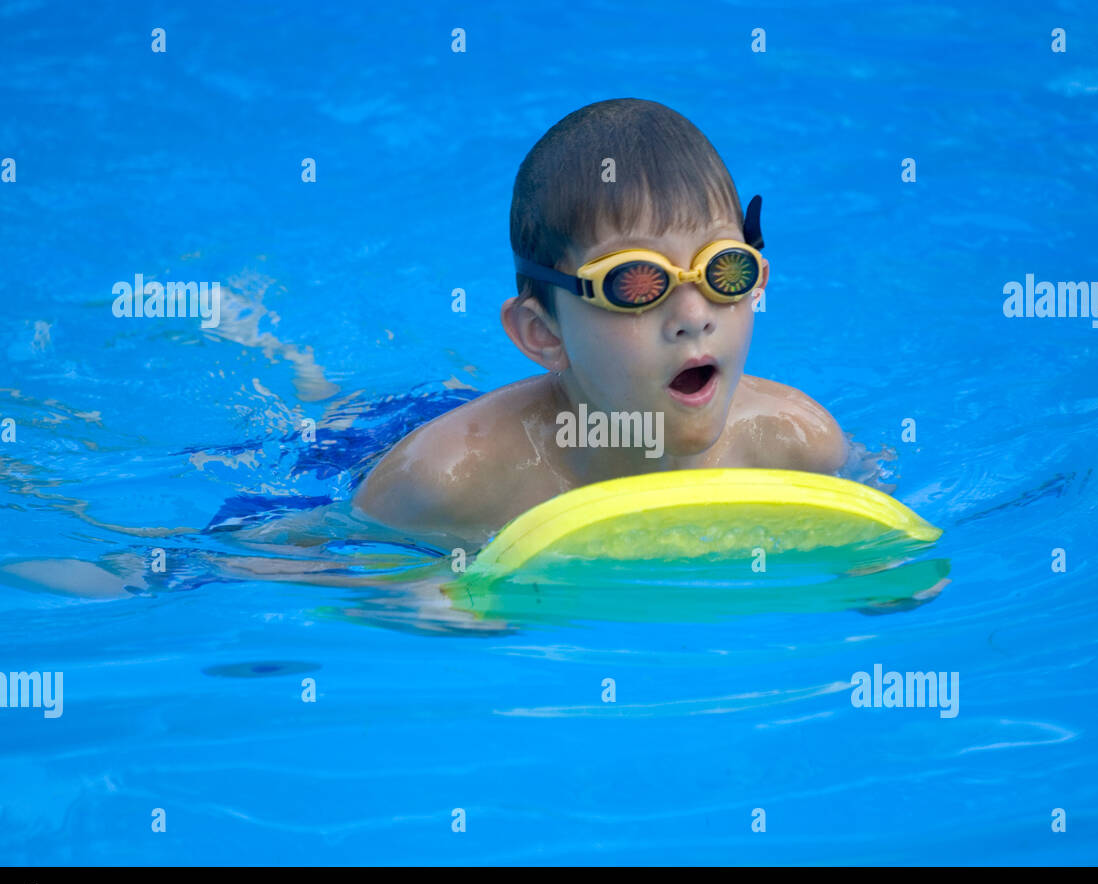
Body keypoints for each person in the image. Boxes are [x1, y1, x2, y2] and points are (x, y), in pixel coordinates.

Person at [355, 98, 847, 549]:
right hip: (367, 442)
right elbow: (302, 560)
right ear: (543, 332)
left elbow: (873, 518)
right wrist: (409, 596)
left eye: (724, 271)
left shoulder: (798, 441)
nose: (694, 317)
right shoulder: (447, 478)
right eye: (634, 283)